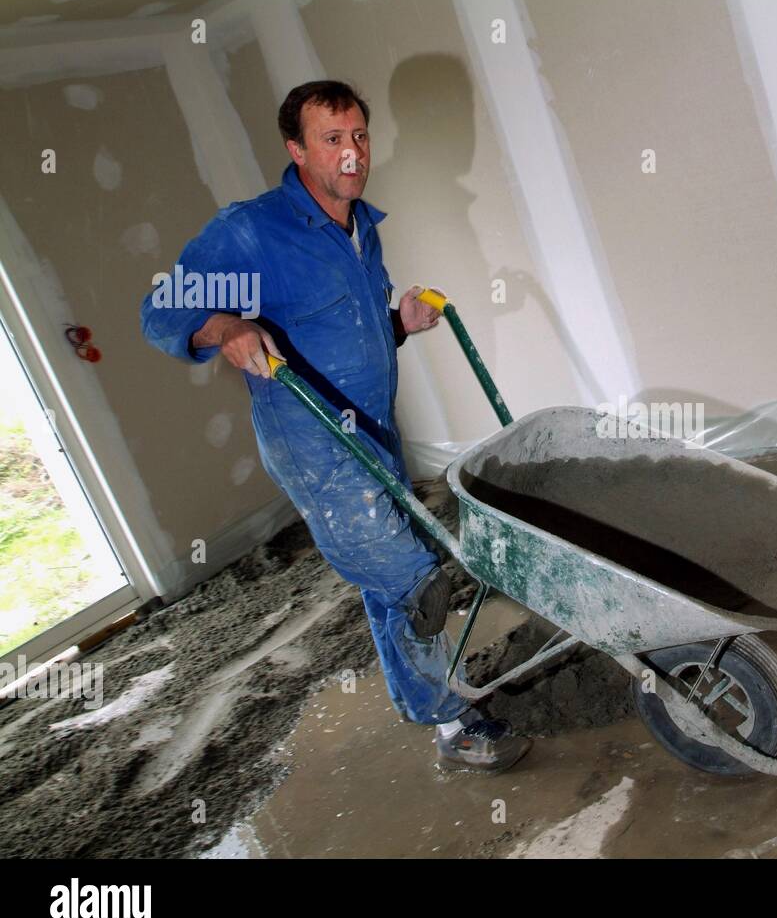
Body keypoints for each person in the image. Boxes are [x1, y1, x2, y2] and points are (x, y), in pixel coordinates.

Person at [140, 80, 530, 773]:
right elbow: (161, 309)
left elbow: (344, 332)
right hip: (313, 441)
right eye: (332, 139)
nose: (352, 154)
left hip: (371, 428)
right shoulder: (252, 230)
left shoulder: (360, 224)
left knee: (392, 582)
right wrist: (226, 324)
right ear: (296, 149)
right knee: (417, 579)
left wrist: (399, 325)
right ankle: (452, 716)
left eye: (359, 136)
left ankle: (434, 712)